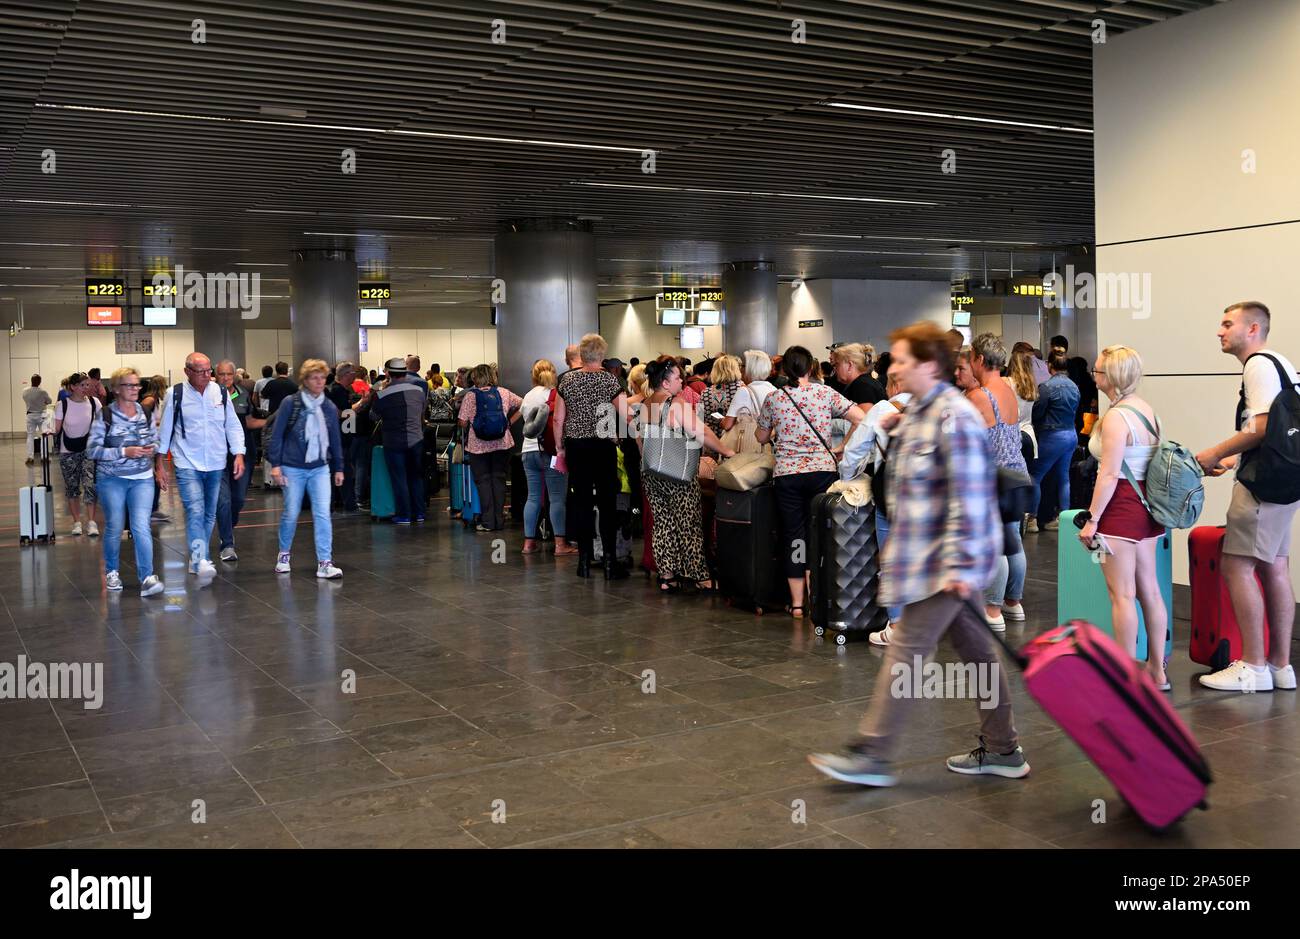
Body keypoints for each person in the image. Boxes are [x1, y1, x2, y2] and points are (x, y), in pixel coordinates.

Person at [809, 321, 1027, 788]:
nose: (896, 367)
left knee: (906, 650)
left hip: (945, 564)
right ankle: (1004, 749)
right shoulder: (922, 412)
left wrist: (960, 565)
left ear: (929, 365)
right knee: (980, 656)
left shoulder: (955, 417)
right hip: (933, 561)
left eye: (906, 360)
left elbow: (969, 498)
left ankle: (873, 753)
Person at [1193, 301, 1297, 693]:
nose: (1219, 331)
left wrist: (1215, 452)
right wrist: (1237, 454)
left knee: (1237, 566)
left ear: (1253, 328)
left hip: (1262, 486)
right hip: (1286, 481)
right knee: (1275, 567)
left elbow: (1262, 427)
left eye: (1227, 323)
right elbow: (1276, 430)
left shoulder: (1257, 365)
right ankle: (1280, 666)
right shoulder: (1281, 363)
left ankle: (1253, 666)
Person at [1075, 345, 1169, 687]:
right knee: (1151, 592)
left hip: (1120, 511)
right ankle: (1157, 671)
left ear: (1110, 377)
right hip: (1149, 511)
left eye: (1098, 371)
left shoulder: (1116, 417)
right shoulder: (1147, 411)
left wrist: (1093, 519)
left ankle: (1125, 675)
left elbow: (1110, 474)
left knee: (1122, 595)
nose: (1093, 375)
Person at [755, 346, 865, 618]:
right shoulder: (824, 393)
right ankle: (818, 599)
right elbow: (861, 418)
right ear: (810, 368)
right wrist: (843, 447)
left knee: (795, 537)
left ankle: (797, 605)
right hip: (822, 472)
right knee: (819, 535)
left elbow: (760, 437)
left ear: (783, 370)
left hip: (788, 476)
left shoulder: (774, 398)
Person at [639, 358, 734, 592]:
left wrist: (650, 463)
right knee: (688, 523)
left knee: (662, 522)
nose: (681, 380)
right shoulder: (676, 404)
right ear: (665, 382)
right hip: (678, 473)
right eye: (677, 377)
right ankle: (700, 576)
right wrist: (726, 450)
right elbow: (700, 431)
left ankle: (667, 575)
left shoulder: (645, 404)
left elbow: (640, 441)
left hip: (651, 473)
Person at [156, 353, 246, 576]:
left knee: (208, 514)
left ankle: (199, 556)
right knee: (195, 510)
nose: (207, 375)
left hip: (216, 462)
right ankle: (199, 559)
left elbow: (232, 426)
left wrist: (239, 454)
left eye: (209, 371)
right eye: (201, 371)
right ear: (187, 371)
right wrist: (159, 465)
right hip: (187, 462)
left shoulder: (221, 393)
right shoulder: (175, 394)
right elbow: (165, 430)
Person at [839, 369, 911, 645]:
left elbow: (854, 451)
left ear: (892, 385)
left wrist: (846, 480)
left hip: (892, 492)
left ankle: (897, 624)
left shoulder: (882, 409)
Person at [967, 334, 1029, 629]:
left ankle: (992, 610)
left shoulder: (980, 395)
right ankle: (1013, 603)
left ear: (979, 359)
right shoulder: (1008, 390)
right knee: (1013, 542)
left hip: (994, 478)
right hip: (1018, 474)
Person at [555, 333, 629, 579]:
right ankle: (609, 561)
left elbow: (558, 419)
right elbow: (626, 414)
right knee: (607, 503)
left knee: (582, 503)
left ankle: (583, 562)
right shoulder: (609, 381)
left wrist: (559, 447)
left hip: (577, 447)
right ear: (602, 355)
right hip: (602, 447)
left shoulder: (567, 381)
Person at [86, 369, 164, 597]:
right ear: (117, 389)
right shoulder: (106, 415)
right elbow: (92, 450)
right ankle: (111, 572)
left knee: (141, 527)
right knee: (115, 526)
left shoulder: (145, 413)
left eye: (137, 385)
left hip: (142, 479)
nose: (135, 390)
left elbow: (155, 441)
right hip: (112, 479)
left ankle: (147, 577)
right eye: (129, 385)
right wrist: (124, 451)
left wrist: (151, 449)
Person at [267, 360, 344, 579]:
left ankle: (325, 562)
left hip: (320, 467)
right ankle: (284, 554)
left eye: (322, 377)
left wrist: (338, 467)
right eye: (314, 377)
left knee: (322, 514)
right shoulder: (291, 403)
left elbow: (334, 439)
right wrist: (276, 466)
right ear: (305, 380)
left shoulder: (328, 406)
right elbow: (278, 434)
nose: (319, 382)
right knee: (291, 512)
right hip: (292, 467)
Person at [458, 363, 523, 533]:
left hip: (478, 446)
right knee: (499, 480)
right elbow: (524, 405)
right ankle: (499, 520)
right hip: (502, 443)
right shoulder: (503, 392)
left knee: (483, 482)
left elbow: (463, 422)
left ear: (475, 377)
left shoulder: (471, 396)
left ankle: (488, 522)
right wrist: (509, 422)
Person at [520, 359, 575, 556]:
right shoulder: (556, 395)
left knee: (533, 497)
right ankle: (560, 544)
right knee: (557, 499)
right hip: (551, 452)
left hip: (528, 451)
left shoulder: (527, 396)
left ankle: (528, 544)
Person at [365, 357, 429, 524]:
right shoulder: (418, 391)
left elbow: (374, 416)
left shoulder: (383, 394)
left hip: (394, 441)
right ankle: (420, 513)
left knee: (399, 478)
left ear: (389, 374)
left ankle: (404, 515)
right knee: (416, 477)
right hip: (416, 439)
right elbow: (422, 410)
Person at [214, 360, 266, 562]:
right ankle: (227, 542)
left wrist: (270, 421)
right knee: (224, 500)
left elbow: (249, 421)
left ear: (234, 375)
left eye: (228, 374)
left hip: (243, 454)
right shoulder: (209, 395)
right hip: (218, 456)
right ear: (215, 375)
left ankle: (228, 528)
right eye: (221, 374)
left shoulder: (242, 394)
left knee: (238, 499)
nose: (225, 378)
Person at [1030, 352, 1080, 531]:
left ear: (1049, 365)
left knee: (1035, 476)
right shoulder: (1074, 386)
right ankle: (1064, 518)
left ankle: (1033, 520)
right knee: (1064, 478)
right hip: (1071, 435)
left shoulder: (1046, 387)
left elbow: (1037, 413)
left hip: (1052, 436)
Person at [53, 373, 103, 538]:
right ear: (73, 387)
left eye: (88, 385)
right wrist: (49, 431)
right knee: (72, 487)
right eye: (82, 385)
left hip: (88, 450)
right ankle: (76, 522)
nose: (86, 388)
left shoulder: (93, 403)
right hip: (68, 451)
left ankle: (91, 522)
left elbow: (102, 424)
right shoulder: (63, 405)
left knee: (90, 486)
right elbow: (57, 428)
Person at [326, 362, 360, 512]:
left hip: (342, 437)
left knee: (343, 471)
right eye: (353, 373)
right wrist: (362, 403)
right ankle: (344, 504)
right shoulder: (338, 391)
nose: (355, 375)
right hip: (340, 439)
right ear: (347, 375)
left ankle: (345, 503)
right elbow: (343, 414)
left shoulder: (341, 390)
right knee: (342, 471)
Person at [721, 350, 777, 433]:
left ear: (750, 368)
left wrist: (722, 421)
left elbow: (727, 425)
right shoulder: (774, 389)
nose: (741, 369)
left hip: (749, 440)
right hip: (768, 440)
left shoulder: (744, 391)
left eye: (743, 366)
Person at [831, 343, 886, 407]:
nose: (834, 368)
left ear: (849, 365)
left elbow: (866, 416)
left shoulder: (862, 385)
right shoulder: (865, 382)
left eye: (837, 364)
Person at [701, 354, 742, 437]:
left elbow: (699, 418)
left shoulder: (706, 392)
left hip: (714, 440)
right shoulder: (743, 389)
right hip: (738, 439)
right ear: (736, 370)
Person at [22, 374, 51, 465]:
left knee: (30, 436)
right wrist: (43, 402)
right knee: (44, 436)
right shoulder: (42, 392)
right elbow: (49, 401)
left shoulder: (25, 391)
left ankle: (30, 457)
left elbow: (25, 399)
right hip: (41, 415)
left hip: (30, 415)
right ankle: (44, 457)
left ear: (31, 381)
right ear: (39, 382)